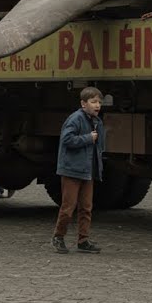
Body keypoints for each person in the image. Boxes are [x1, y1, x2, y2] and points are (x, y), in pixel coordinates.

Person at [50, 87, 105, 254]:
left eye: (99, 102)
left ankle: (83, 240)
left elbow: (99, 146)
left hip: (87, 170)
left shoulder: (97, 121)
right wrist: (88, 138)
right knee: (68, 207)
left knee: (86, 207)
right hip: (72, 170)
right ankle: (58, 236)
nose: (97, 106)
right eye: (93, 102)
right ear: (83, 104)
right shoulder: (75, 119)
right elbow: (67, 139)